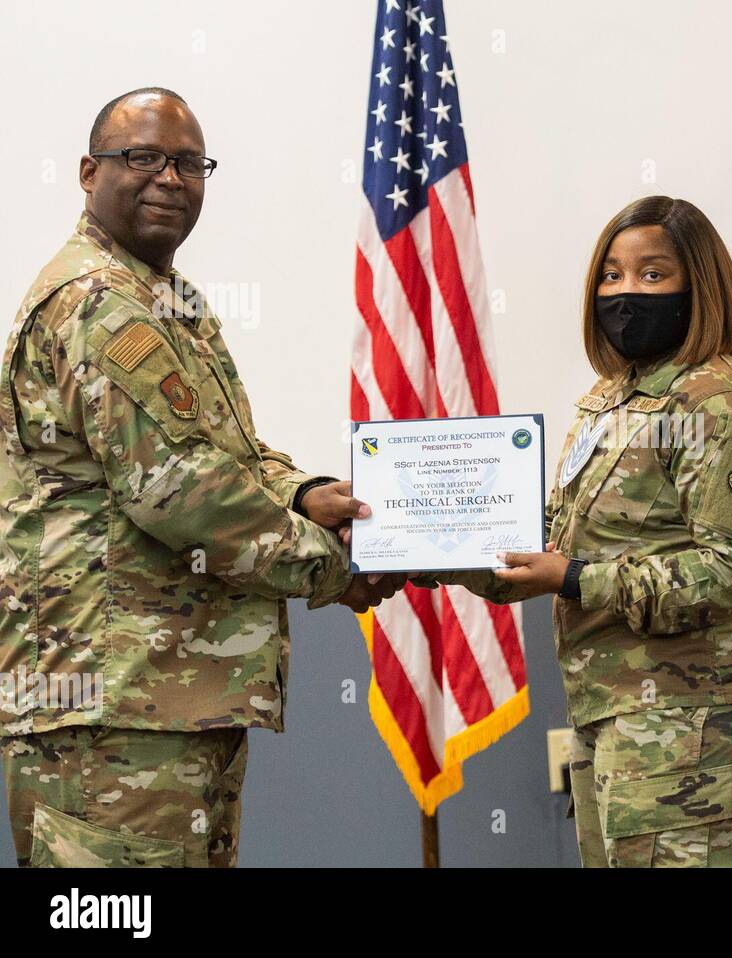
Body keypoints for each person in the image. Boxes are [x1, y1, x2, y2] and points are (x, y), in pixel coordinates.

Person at [0, 88, 404, 867]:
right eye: (142, 158)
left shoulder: (163, 298)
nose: (169, 179)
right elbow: (179, 491)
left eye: (189, 163)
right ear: (89, 172)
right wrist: (332, 562)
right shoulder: (100, 302)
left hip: (162, 693)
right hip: (111, 703)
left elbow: (227, 454)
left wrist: (299, 492)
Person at [408, 196, 732, 866]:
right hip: (612, 708)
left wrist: (579, 579)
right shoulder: (609, 398)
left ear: (699, 286)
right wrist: (420, 544)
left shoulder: (719, 401)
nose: (625, 292)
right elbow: (557, 540)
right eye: (611, 276)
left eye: (652, 275)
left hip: (690, 718)